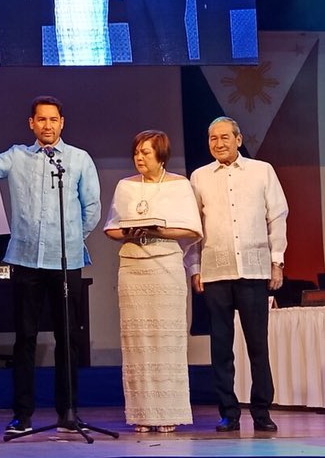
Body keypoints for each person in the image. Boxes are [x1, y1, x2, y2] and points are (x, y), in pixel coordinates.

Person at [0, 96, 100, 436]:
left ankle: (68, 412)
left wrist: (70, 239)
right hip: (27, 259)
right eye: (41, 120)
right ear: (32, 123)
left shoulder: (78, 159)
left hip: (66, 260)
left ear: (62, 123)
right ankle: (22, 415)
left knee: (68, 338)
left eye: (53, 119)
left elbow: (91, 209)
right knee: (25, 338)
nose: (47, 125)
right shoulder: (17, 156)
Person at [185, 117, 289, 433]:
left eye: (225, 137)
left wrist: (277, 262)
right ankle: (228, 412)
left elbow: (278, 217)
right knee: (221, 346)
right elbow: (194, 229)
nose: (219, 143)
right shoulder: (199, 177)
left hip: (255, 269)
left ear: (239, 139)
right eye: (212, 138)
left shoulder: (262, 171)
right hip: (216, 270)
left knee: (258, 344)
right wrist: (195, 267)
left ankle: (261, 411)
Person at [104, 130, 201, 433]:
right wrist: (129, 232)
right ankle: (141, 413)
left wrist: (158, 229)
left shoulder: (180, 185)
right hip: (133, 267)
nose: (140, 157)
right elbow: (111, 228)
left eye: (146, 152)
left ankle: (168, 412)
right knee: (138, 341)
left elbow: (192, 230)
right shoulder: (125, 186)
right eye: (136, 152)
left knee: (166, 339)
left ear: (161, 155)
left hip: (166, 266)